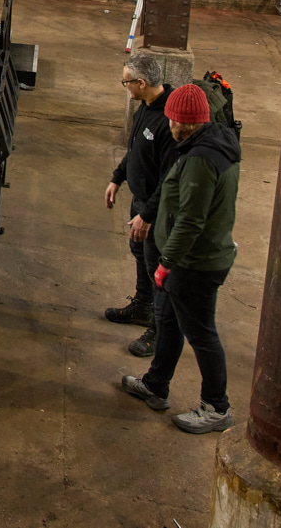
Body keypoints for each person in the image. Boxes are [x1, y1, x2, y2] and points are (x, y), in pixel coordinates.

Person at [120, 83, 242, 434]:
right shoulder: (207, 143)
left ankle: (217, 407)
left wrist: (166, 262)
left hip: (195, 263)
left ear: (179, 121)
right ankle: (156, 384)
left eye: (170, 119)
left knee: (202, 333)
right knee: (169, 321)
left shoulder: (201, 160)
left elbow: (191, 219)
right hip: (191, 260)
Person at [104, 52, 177, 357]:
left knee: (156, 267)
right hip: (140, 200)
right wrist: (117, 178)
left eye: (126, 81)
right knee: (139, 253)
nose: (125, 86)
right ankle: (142, 308)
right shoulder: (145, 108)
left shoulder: (169, 121)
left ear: (142, 82)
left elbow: (169, 178)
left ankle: (158, 332)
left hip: (155, 210)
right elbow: (135, 150)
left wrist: (147, 216)